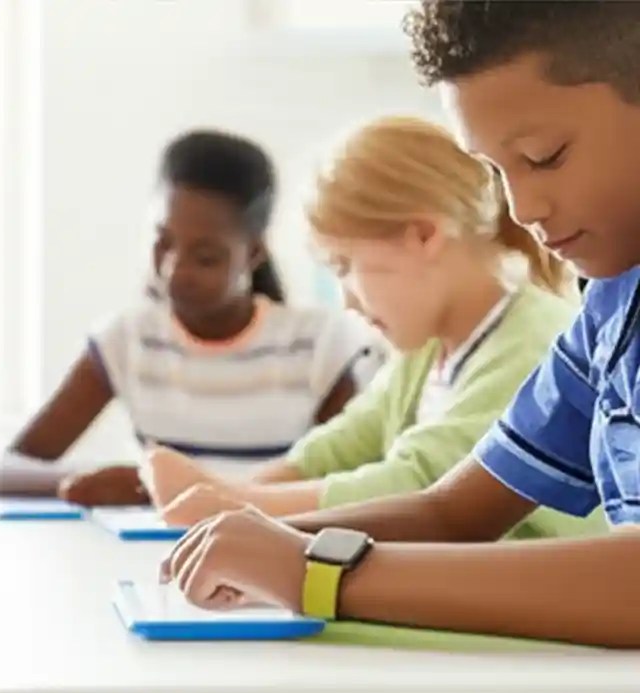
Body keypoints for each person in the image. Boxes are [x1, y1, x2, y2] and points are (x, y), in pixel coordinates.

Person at [162, 0, 640, 649]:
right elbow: (452, 511)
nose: (524, 208)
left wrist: (321, 574)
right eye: (498, 171)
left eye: (545, 155)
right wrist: (262, 542)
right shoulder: (608, 312)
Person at [148, 116, 602, 541]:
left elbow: (421, 487)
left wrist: (239, 505)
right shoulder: (428, 351)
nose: (346, 300)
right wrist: (226, 494)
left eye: (344, 266)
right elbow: (341, 445)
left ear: (423, 235)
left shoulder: (534, 344)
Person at [0, 130, 374, 505]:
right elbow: (1, 474)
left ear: (253, 253)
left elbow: (357, 481)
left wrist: (192, 489)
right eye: (162, 242)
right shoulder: (128, 340)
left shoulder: (318, 345)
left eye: (205, 257)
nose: (173, 269)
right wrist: (122, 483)